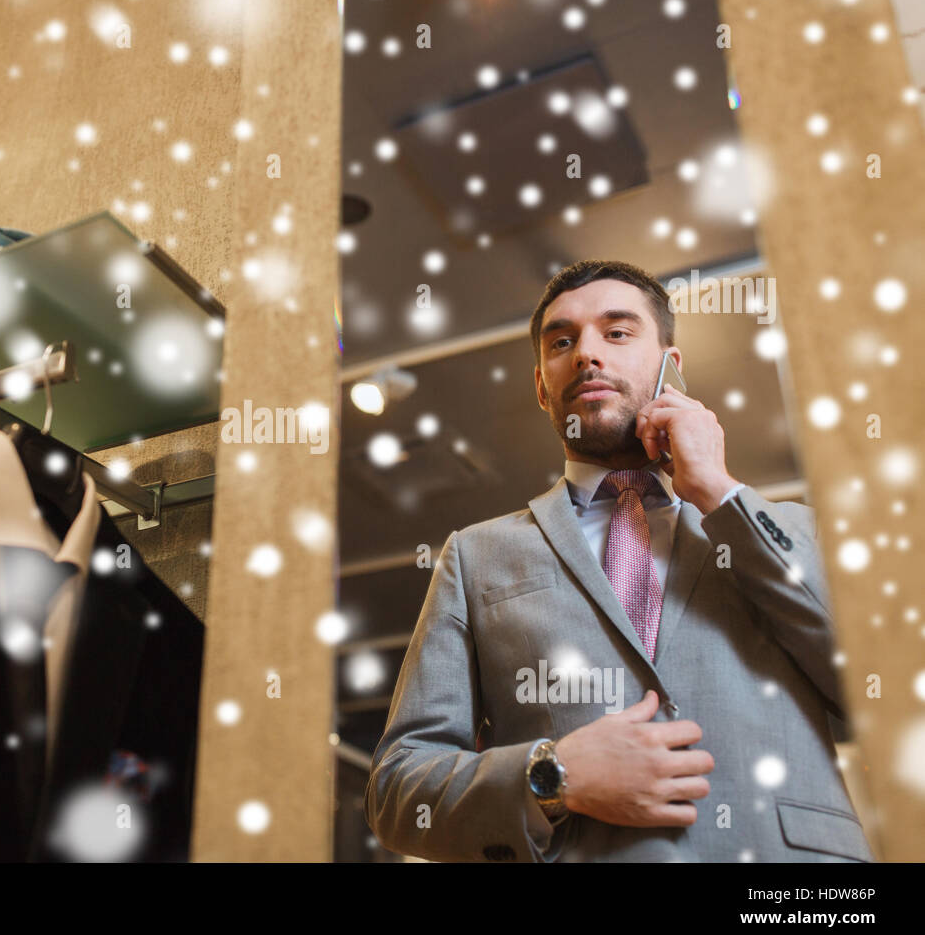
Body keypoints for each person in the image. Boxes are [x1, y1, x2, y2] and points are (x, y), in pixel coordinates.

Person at [364, 259, 873, 863]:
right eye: (562, 341)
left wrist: (716, 490)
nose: (586, 354)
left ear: (671, 368)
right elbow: (398, 792)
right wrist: (552, 776)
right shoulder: (474, 556)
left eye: (618, 332)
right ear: (540, 383)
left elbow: (880, 686)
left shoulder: (794, 529)